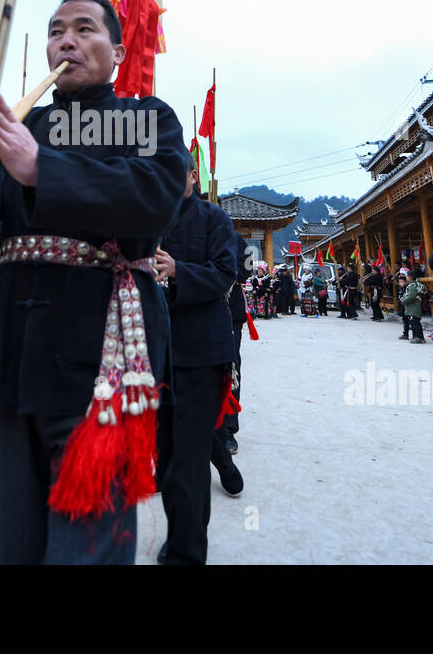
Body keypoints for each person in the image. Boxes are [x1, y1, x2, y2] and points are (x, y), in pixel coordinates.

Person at [0, 0, 186, 564]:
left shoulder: (146, 118)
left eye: (85, 29)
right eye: (57, 30)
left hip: (96, 350)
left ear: (117, 48)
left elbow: (151, 202)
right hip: (11, 350)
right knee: (16, 534)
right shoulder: (21, 124)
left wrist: (38, 166)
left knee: (88, 536)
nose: (67, 40)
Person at [154, 159, 242, 564]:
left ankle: (188, 554)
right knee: (169, 458)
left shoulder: (215, 219)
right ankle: (178, 537)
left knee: (189, 461)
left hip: (202, 352)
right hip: (159, 352)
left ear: (193, 176)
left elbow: (225, 273)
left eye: (178, 170)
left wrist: (177, 270)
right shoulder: (149, 217)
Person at [214, 233, 251, 456]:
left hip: (229, 307)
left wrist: (218, 275)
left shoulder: (236, 240)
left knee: (231, 367)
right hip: (195, 304)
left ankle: (228, 429)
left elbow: (246, 269)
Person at [398, 274, 425, 343]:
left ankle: (418, 337)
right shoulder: (414, 284)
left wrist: (403, 301)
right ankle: (417, 337)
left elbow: (411, 296)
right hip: (413, 307)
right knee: (414, 323)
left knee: (415, 323)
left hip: (413, 307)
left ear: (409, 277)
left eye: (407, 276)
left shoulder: (412, 285)